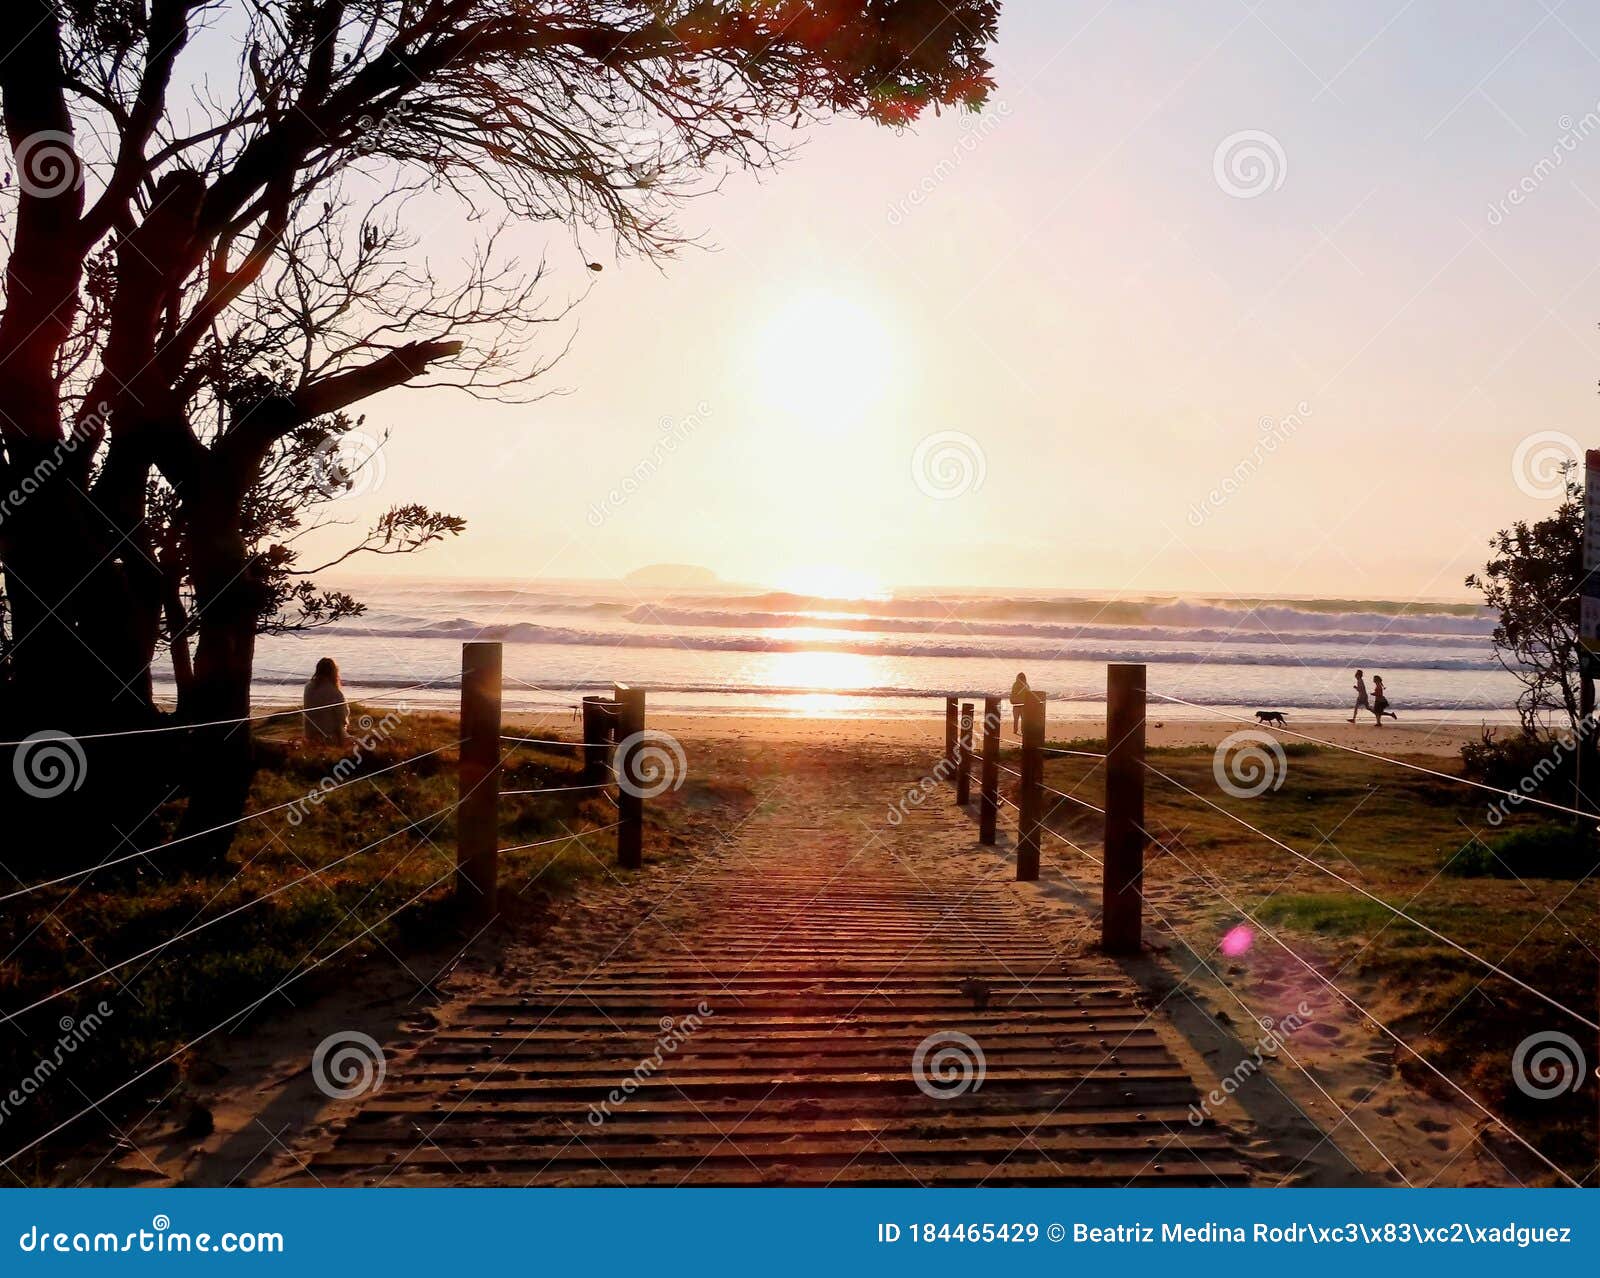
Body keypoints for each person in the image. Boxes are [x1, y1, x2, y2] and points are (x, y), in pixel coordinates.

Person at [303, 657, 349, 744]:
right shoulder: (334, 691)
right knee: (341, 726)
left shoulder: (308, 686)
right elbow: (342, 716)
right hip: (328, 735)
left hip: (310, 734)